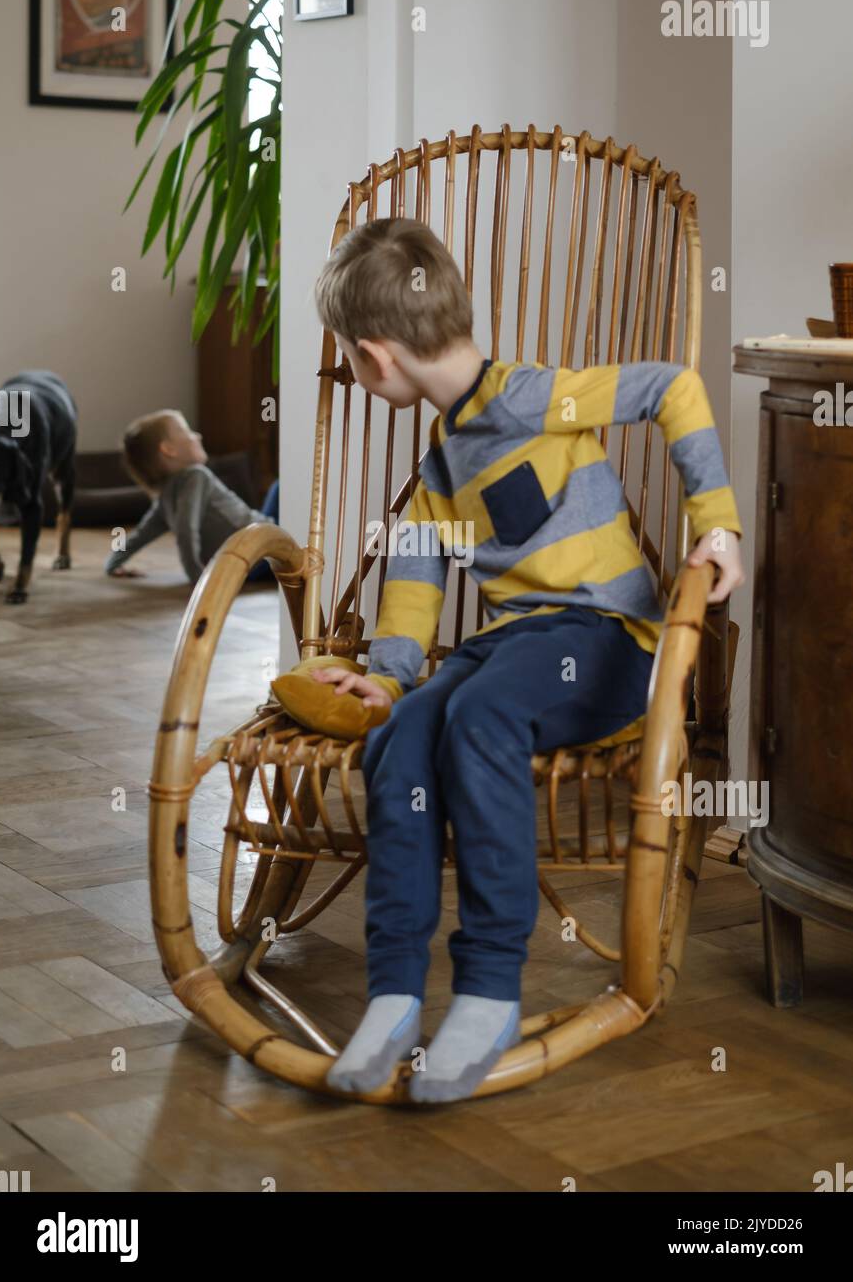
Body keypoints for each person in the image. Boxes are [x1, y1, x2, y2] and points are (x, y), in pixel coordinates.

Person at [311, 217, 745, 1103]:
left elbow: (673, 389)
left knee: (478, 716)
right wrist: (388, 677)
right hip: (516, 649)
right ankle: (393, 992)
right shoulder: (441, 466)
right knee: (406, 730)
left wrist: (718, 524)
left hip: (610, 646)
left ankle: (487, 989)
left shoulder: (537, 397)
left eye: (350, 363)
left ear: (375, 358)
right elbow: (416, 581)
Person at [103, 409, 279, 585]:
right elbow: (185, 529)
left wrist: (112, 564)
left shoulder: (165, 500)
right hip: (262, 553)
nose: (198, 436)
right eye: (187, 431)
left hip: (243, 560)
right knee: (279, 487)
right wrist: (198, 578)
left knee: (272, 500)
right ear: (168, 449)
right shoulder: (196, 475)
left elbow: (139, 537)